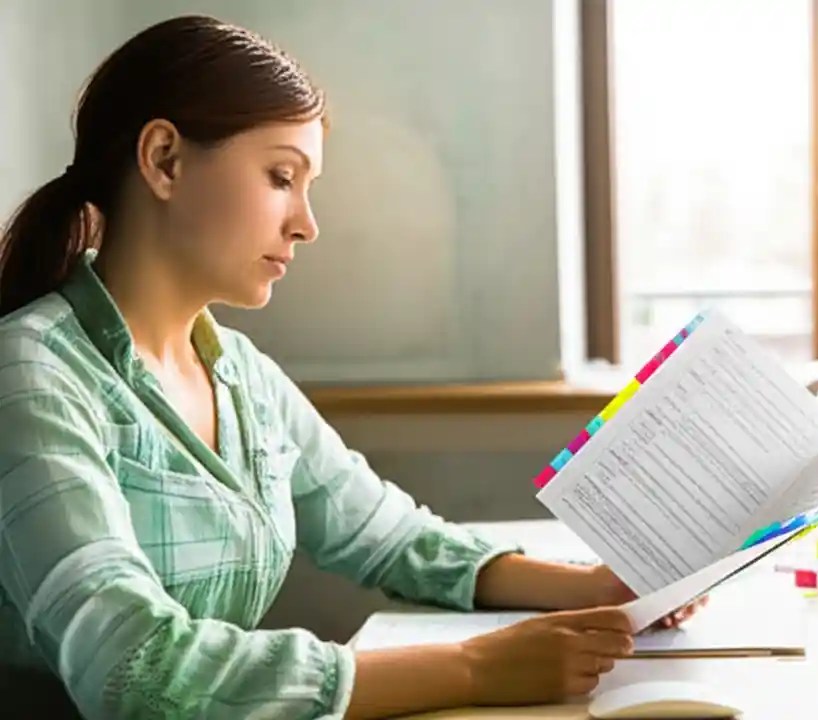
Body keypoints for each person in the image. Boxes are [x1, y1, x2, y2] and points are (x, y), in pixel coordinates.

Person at [0, 15, 703, 720]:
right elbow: (136, 668)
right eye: (281, 177)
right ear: (165, 160)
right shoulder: (31, 374)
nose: (306, 224)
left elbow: (389, 538)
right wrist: (473, 669)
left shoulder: (240, 375)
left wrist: (597, 587)